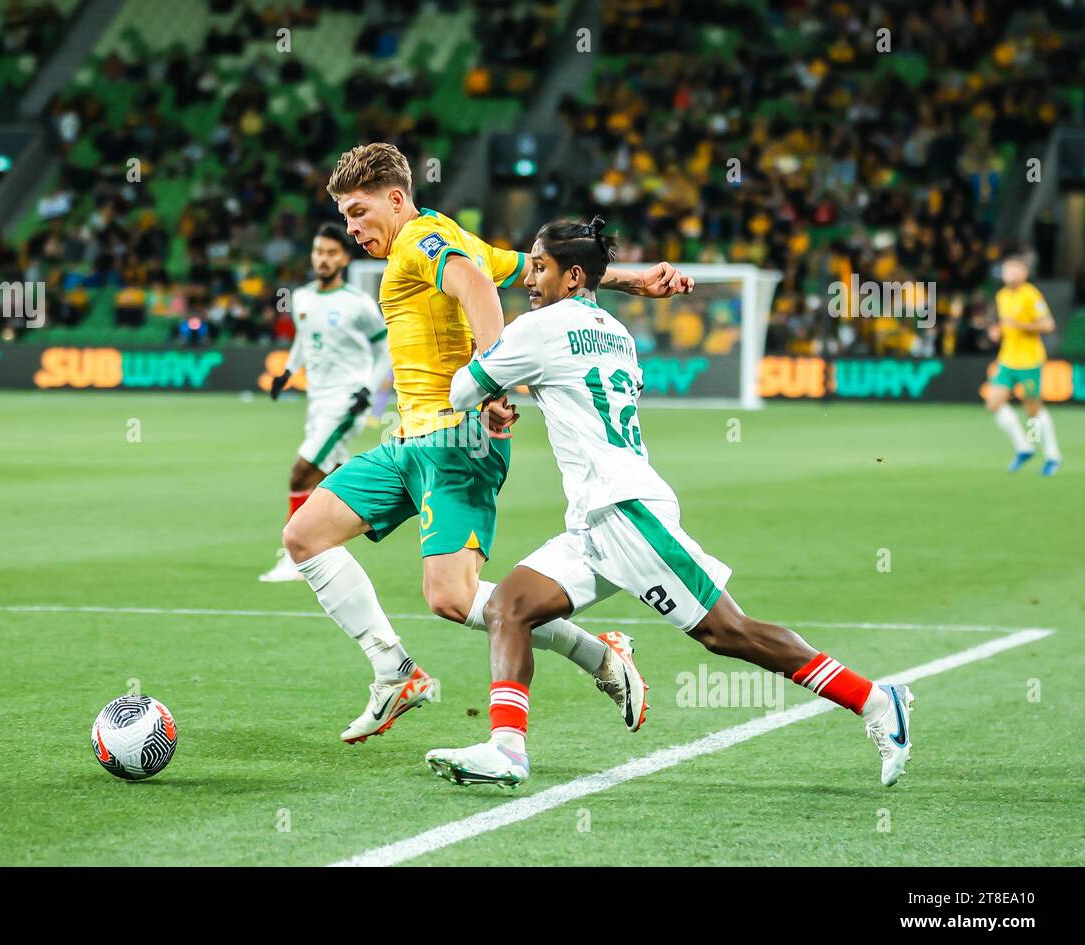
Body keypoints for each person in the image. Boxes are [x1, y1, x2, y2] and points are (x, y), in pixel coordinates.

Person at [425, 217, 913, 790]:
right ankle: (507, 749)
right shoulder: (616, 332)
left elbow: (463, 389)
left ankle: (877, 701)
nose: (530, 276)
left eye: (540, 265)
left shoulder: (539, 328)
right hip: (596, 516)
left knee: (726, 632)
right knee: (511, 606)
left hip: (626, 509)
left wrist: (469, 341)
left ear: (573, 274)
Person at [282, 144, 693, 744]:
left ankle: (600, 656)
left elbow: (475, 283)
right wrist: (632, 277)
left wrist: (491, 374)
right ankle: (393, 670)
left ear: (395, 200)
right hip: (408, 440)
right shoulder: (443, 234)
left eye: (358, 211)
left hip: (456, 444)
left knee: (452, 598)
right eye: (344, 216)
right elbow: (518, 268)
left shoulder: (420, 243)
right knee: (304, 534)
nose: (350, 228)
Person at [260, 224, 391, 582]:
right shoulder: (301, 297)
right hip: (317, 399)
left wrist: (368, 389)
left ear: (345, 258)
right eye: (319, 252)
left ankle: (295, 556)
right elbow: (302, 341)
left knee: (301, 470)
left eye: (332, 253)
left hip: (346, 399)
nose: (323, 258)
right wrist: (287, 372)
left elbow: (385, 347)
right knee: (330, 477)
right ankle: (342, 533)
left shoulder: (358, 303)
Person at [986, 256, 1061, 475]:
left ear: (1024, 274)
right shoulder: (1001, 296)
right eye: (1007, 271)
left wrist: (1020, 325)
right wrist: (998, 331)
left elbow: (1048, 325)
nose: (1010, 275)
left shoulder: (1031, 295)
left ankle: (1051, 455)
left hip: (1029, 361)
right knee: (993, 403)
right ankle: (1024, 447)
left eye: (1014, 271)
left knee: (1032, 411)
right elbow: (1004, 324)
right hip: (1007, 359)